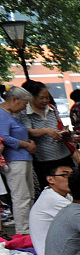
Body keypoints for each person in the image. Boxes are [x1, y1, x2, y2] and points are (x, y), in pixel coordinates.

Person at [19, 81, 73, 184]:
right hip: (44, 158)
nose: (45, 100)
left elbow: (59, 124)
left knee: (69, 181)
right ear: (32, 97)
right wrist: (46, 131)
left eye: (47, 97)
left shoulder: (51, 108)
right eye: (41, 98)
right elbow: (28, 131)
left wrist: (64, 133)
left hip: (63, 153)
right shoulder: (25, 112)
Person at [0, 87, 37, 235]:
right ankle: (23, 230)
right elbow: (4, 137)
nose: (24, 108)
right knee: (21, 196)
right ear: (14, 100)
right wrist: (25, 144)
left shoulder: (12, 115)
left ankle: (29, 226)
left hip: (23, 157)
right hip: (14, 160)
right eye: (24, 104)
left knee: (28, 194)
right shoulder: (2, 114)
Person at [29, 164, 73, 255]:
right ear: (50, 179)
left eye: (72, 176)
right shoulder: (51, 198)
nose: (70, 179)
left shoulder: (65, 195)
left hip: (64, 254)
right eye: (64, 175)